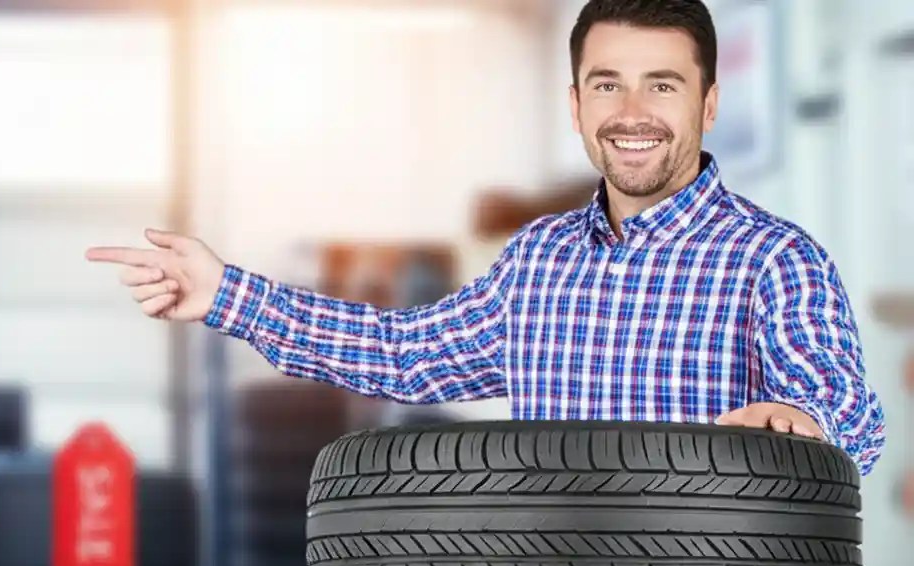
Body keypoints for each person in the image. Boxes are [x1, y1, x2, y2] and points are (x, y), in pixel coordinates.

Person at [86, 0, 885, 476]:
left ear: (708, 106)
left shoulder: (774, 258)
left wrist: (799, 421)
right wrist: (228, 292)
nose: (631, 111)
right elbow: (403, 351)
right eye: (608, 83)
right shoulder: (539, 258)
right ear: (576, 106)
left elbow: (849, 409)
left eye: (663, 85)